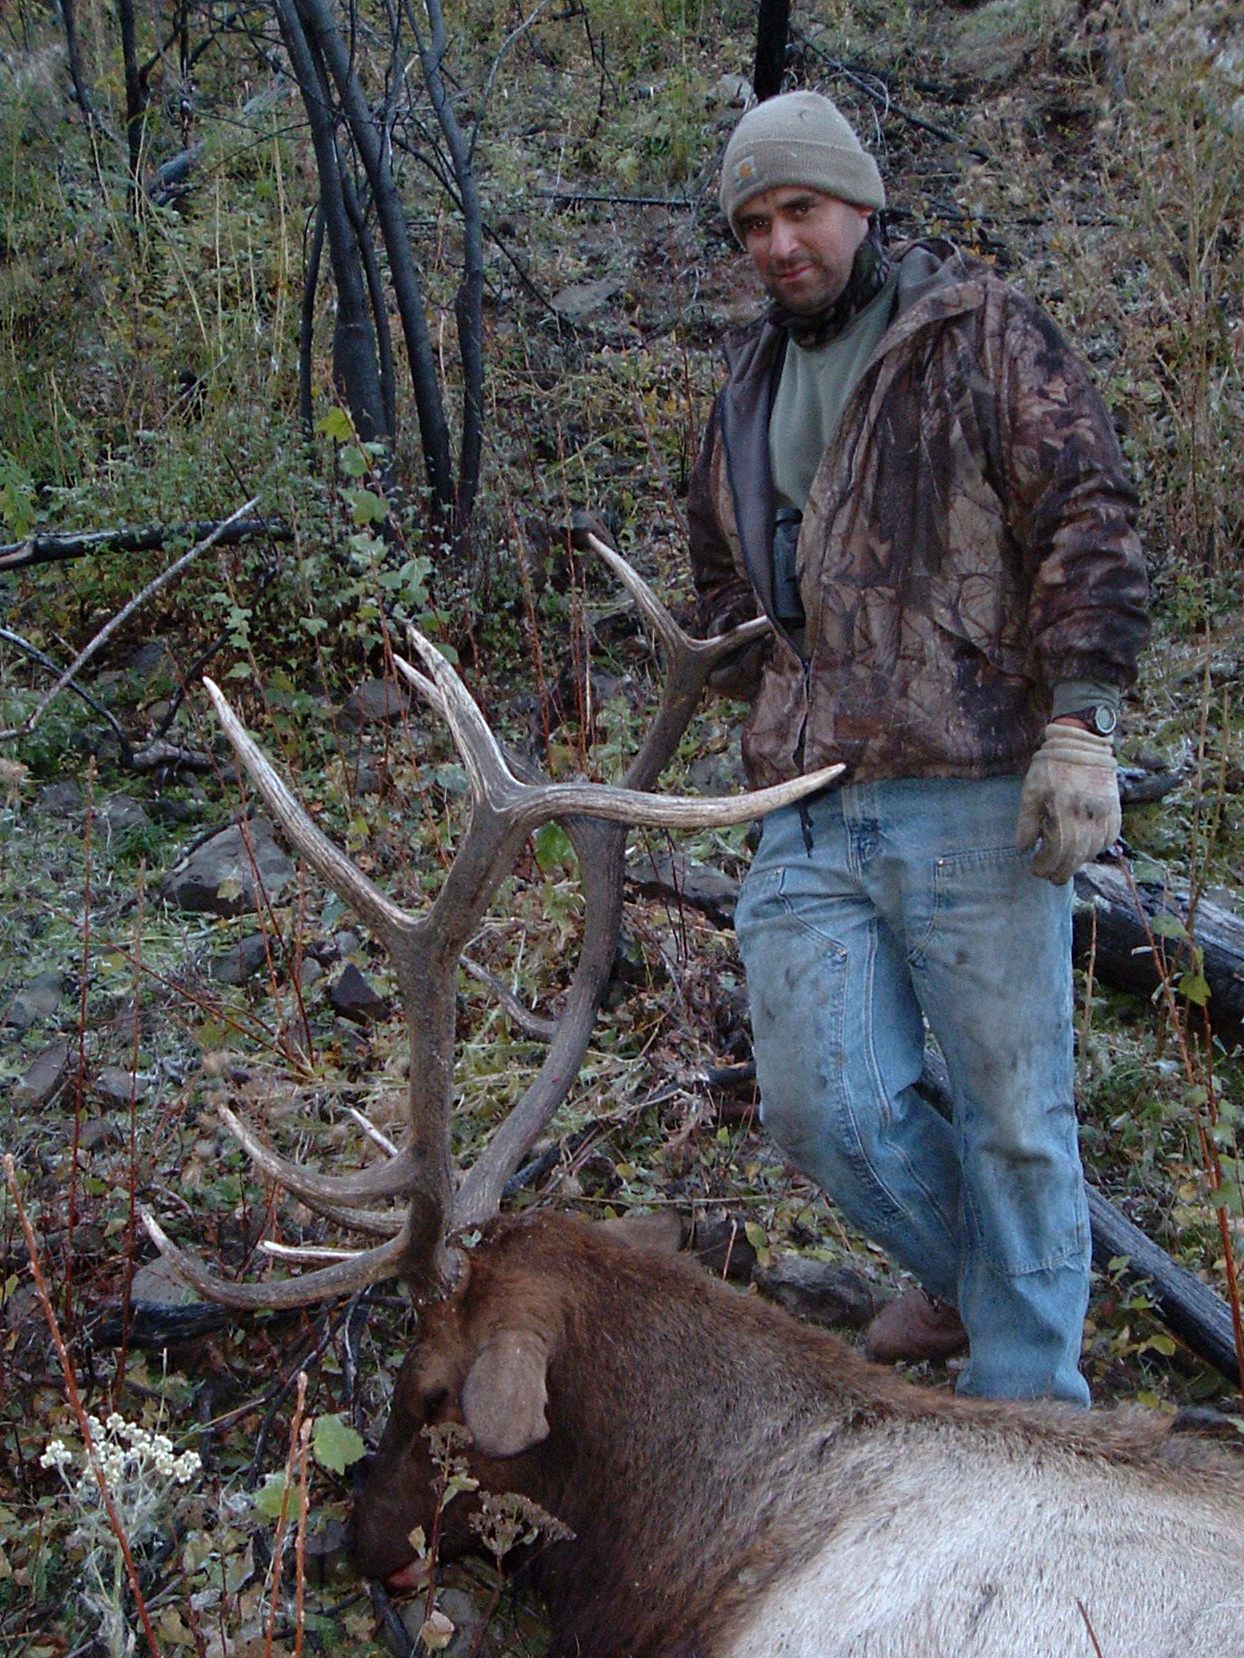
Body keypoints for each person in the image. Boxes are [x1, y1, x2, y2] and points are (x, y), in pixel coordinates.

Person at [688, 90, 1149, 1405]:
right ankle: (992, 1283)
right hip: (808, 801)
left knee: (1015, 1120)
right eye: (755, 223)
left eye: (802, 210)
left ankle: (1032, 1412)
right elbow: (722, 574)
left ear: (863, 204)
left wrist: (1079, 725)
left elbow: (1088, 513)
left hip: (972, 787)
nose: (781, 243)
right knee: (819, 1108)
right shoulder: (745, 383)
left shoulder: (978, 330)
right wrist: (759, 679)